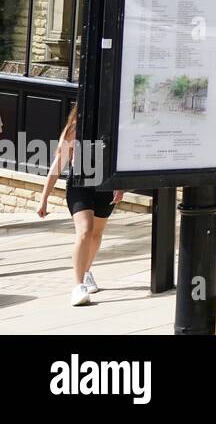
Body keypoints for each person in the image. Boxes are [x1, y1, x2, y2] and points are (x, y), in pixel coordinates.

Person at [37, 105, 123, 306]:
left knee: (96, 234)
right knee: (85, 231)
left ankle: (86, 272)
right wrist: (44, 198)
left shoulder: (110, 126)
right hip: (79, 184)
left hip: (105, 185)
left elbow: (117, 159)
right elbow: (58, 164)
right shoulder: (75, 128)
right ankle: (78, 286)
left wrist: (120, 185)